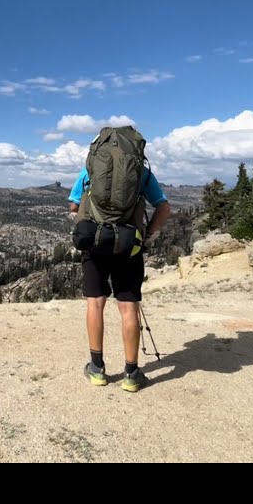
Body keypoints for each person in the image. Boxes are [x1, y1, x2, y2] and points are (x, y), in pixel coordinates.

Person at [67, 136, 171, 392]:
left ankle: (97, 368)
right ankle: (132, 373)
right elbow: (163, 207)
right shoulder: (140, 171)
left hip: (94, 244)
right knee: (128, 307)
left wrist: (87, 227)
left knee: (95, 303)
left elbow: (73, 206)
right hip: (129, 245)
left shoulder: (90, 168)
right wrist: (148, 236)